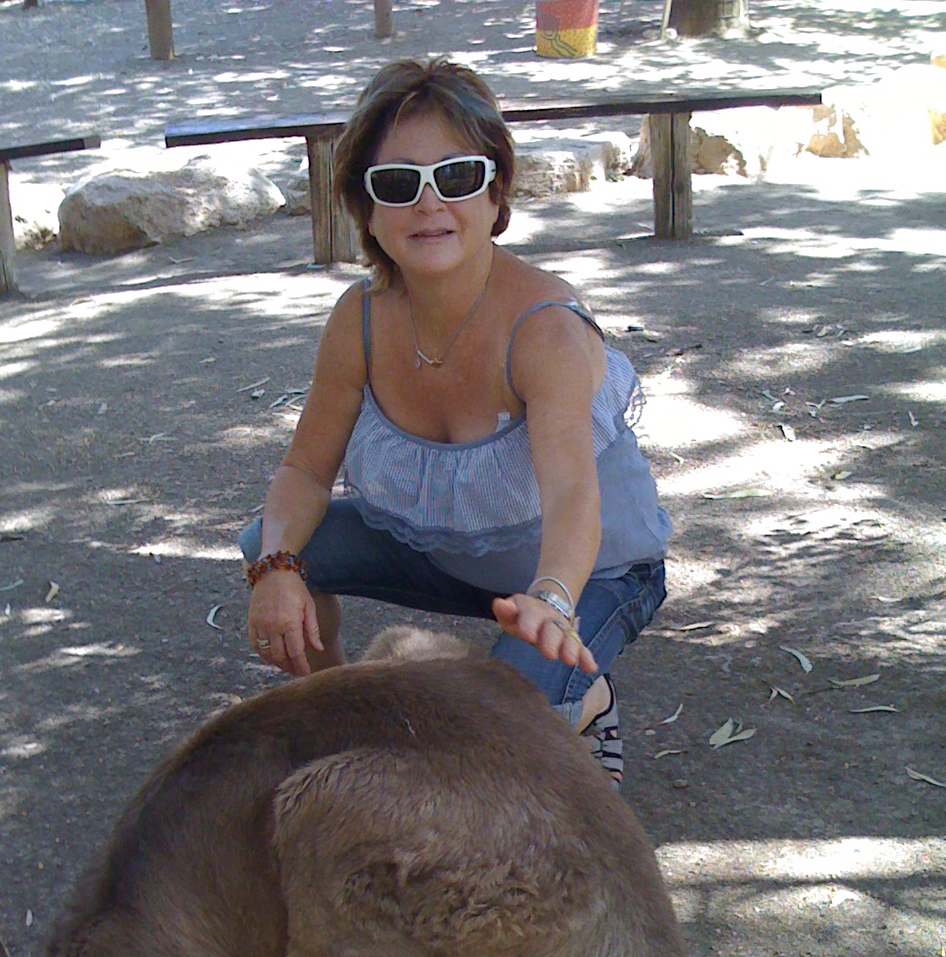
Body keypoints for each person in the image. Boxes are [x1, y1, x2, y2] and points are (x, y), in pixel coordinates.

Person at [240, 57, 670, 785]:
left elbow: (571, 497)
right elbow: (304, 471)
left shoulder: (545, 329)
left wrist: (553, 601)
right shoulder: (361, 319)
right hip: (445, 552)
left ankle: (586, 699)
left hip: (585, 572)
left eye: (458, 176)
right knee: (270, 544)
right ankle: (334, 721)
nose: (429, 204)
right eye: (399, 184)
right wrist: (277, 566)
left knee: (487, 737)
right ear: (366, 209)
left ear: (496, 191)